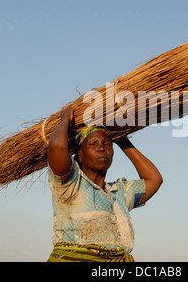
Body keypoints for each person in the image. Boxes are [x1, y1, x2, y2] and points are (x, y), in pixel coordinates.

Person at [46, 107, 163, 262]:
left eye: (107, 144)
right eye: (93, 144)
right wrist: (65, 119)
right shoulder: (70, 184)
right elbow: (57, 147)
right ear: (80, 155)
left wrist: (122, 140)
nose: (102, 148)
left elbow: (154, 179)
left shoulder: (118, 193)